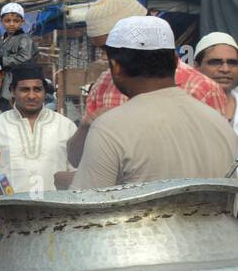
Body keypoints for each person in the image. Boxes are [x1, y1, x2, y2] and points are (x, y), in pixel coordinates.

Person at [73, 17, 238, 189]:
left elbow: (86, 207)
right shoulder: (220, 124)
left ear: (116, 67)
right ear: (175, 62)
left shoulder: (110, 127)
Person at [68, 0, 226, 165]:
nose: (107, 57)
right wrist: (86, 126)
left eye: (111, 48)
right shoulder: (104, 84)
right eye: (102, 50)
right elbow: (79, 160)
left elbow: (218, 163)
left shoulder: (202, 89)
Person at [0, 65, 76, 194]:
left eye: (37, 89)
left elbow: (77, 173)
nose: (31, 96)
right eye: (25, 90)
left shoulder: (66, 126)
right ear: (12, 91)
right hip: (10, 210)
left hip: (57, 209)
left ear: (45, 92)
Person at [194, 31, 238, 131]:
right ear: (196, 67)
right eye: (215, 62)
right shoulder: (185, 108)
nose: (225, 69)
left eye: (232, 63)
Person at [0, 3, 38, 105]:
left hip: (22, 77)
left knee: (19, 103)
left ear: (22, 22)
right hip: (7, 78)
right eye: (7, 21)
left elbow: (25, 58)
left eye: (16, 21)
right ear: (2, 22)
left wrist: (0, 61)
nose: (11, 24)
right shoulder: (3, 39)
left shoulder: (24, 38)